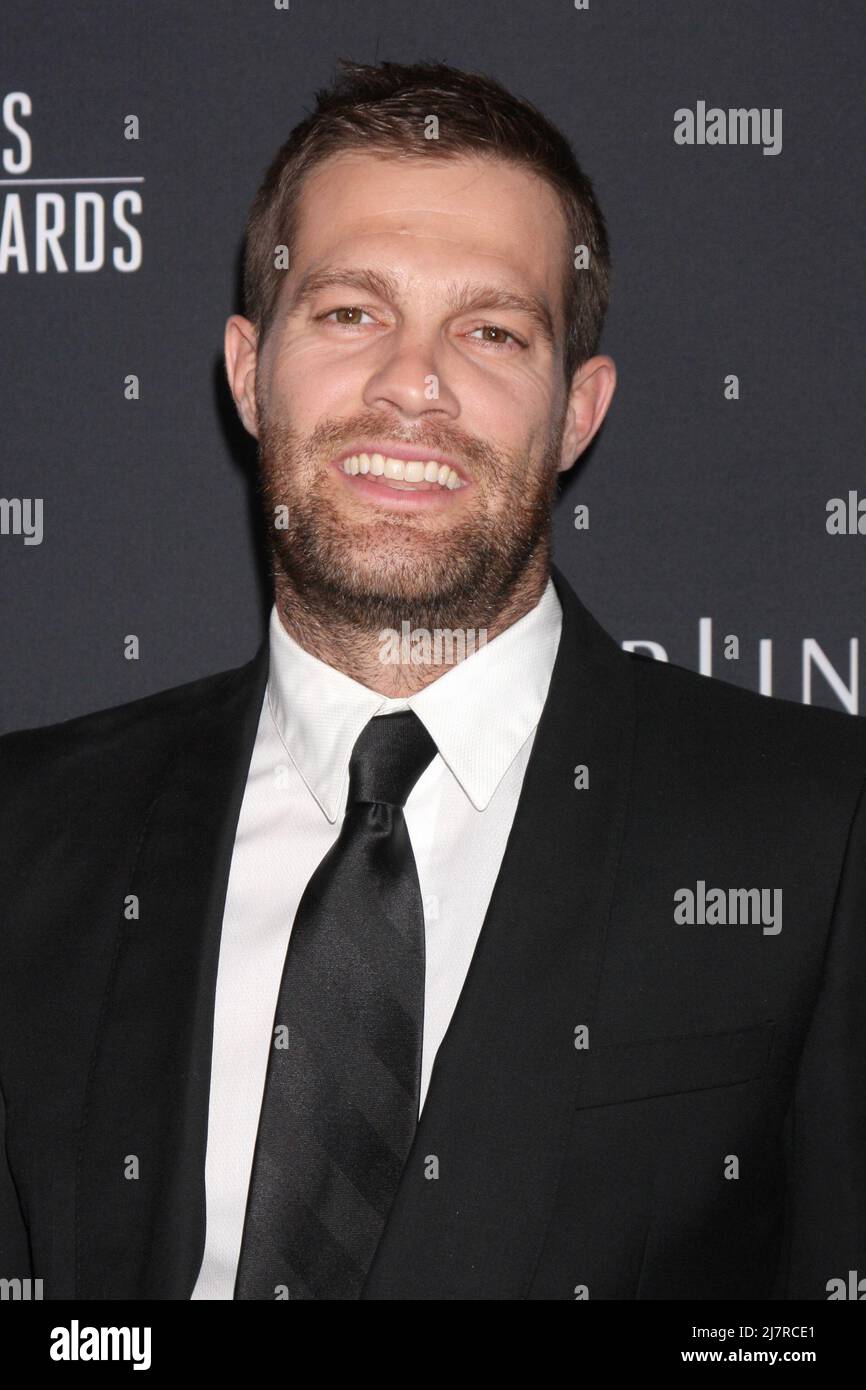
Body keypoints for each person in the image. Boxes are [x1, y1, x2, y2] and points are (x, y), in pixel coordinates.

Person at [1, 59, 864, 1302]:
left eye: (491, 331)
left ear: (576, 412)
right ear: (248, 372)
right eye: (351, 313)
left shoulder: (815, 831)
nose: (415, 385)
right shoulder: (32, 831)